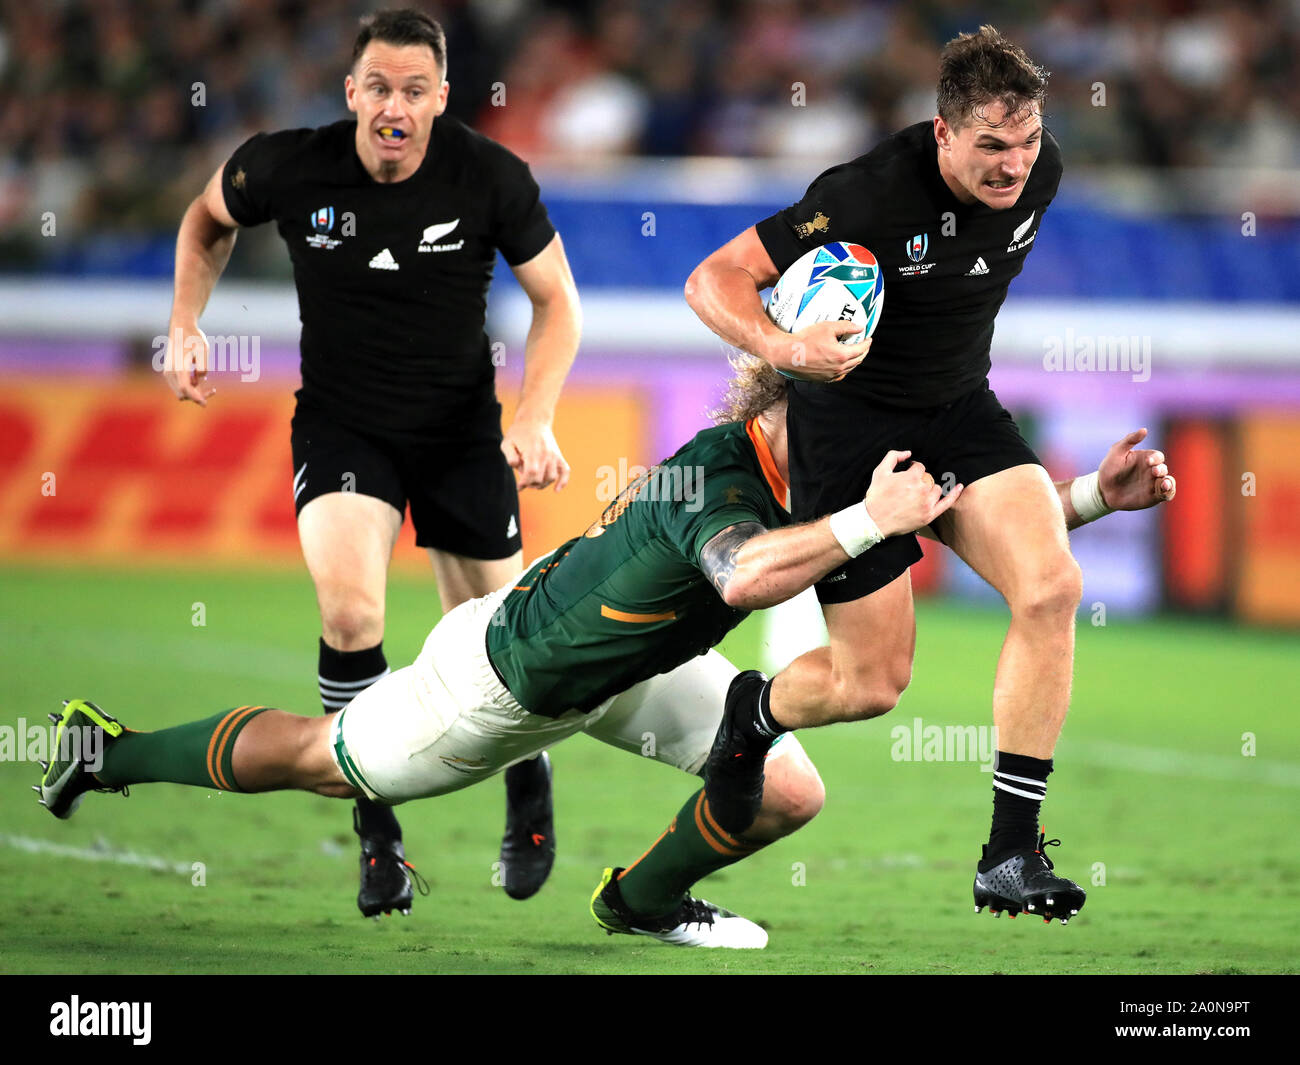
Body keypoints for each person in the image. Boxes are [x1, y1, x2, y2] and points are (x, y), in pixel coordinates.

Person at [38, 359, 1176, 945]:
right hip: (506, 682)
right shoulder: (714, 469)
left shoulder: (833, 473)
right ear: (788, 398)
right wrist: (870, 521)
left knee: (787, 787)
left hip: (636, 673)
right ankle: (110, 750)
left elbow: (933, 515)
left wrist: (1082, 498)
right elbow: (742, 573)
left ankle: (636, 901)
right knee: (321, 757)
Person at [684, 25, 1175, 920]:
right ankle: (754, 710)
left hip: (960, 407)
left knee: (1050, 589)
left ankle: (1010, 853)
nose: (1013, 165)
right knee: (870, 684)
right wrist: (786, 345)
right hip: (850, 428)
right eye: (990, 145)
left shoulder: (1046, 171)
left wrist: (1099, 494)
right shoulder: (864, 196)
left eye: (1026, 141)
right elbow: (713, 278)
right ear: (943, 132)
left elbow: (986, 515)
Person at [161, 9, 581, 914]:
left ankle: (528, 782)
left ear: (440, 97)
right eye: (379, 88)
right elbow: (205, 221)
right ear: (352, 92)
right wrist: (186, 323)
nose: (395, 106)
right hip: (344, 430)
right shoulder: (288, 163)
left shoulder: (490, 175)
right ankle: (377, 832)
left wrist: (535, 416)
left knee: (502, 649)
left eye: (414, 90)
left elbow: (558, 303)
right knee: (352, 616)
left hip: (463, 435)